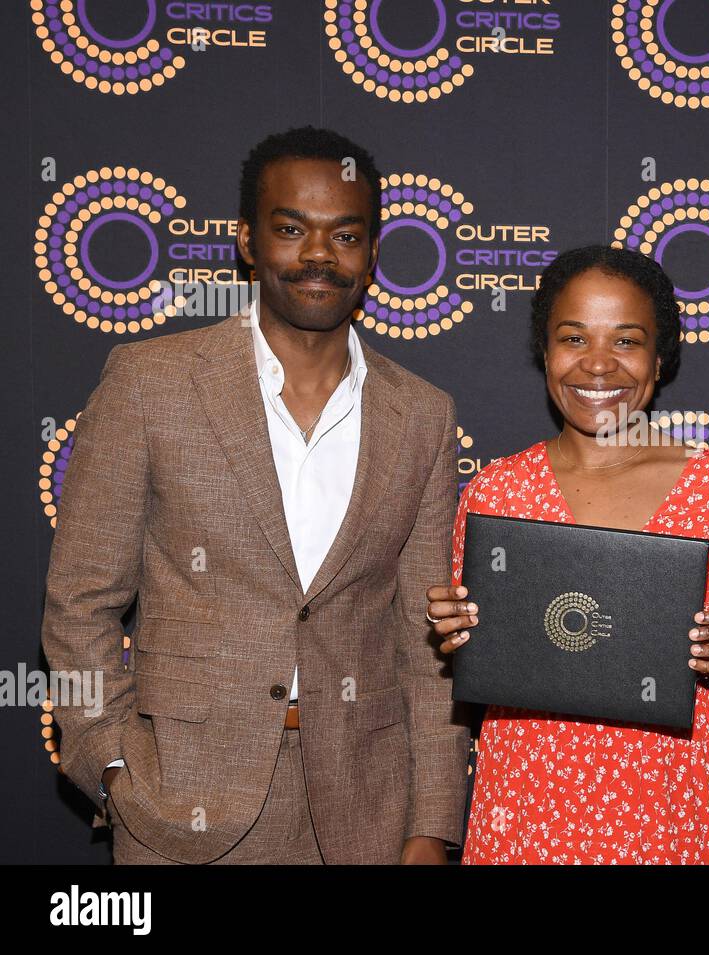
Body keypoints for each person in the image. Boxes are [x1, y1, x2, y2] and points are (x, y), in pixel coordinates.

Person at [41, 127, 468, 864]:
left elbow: (426, 643)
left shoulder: (423, 415)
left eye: (345, 234)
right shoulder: (151, 382)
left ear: (373, 253)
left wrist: (429, 824)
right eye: (290, 229)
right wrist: (111, 768)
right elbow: (80, 600)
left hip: (366, 810)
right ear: (246, 239)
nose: (317, 256)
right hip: (181, 805)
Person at [425, 245, 709, 864]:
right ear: (544, 349)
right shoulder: (495, 493)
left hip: (675, 814)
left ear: (661, 355)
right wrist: (456, 635)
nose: (596, 366)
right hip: (524, 813)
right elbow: (472, 669)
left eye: (625, 341)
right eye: (573, 338)